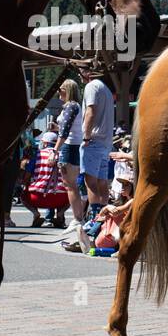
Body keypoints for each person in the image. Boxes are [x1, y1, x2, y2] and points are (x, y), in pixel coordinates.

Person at [80, 70, 115, 230]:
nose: (79, 73)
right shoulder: (106, 89)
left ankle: (94, 220)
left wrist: (86, 137)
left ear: (88, 72)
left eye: (81, 70)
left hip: (93, 141)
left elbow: (90, 111)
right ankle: (103, 219)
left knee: (91, 182)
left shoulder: (91, 86)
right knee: (102, 183)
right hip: (105, 142)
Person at [56, 79, 86, 229]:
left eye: (60, 89)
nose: (58, 92)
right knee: (73, 185)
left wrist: (55, 149)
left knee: (70, 185)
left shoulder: (70, 106)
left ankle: (77, 218)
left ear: (67, 90)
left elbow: (65, 131)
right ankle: (78, 218)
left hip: (69, 146)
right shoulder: (76, 106)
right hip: (75, 145)